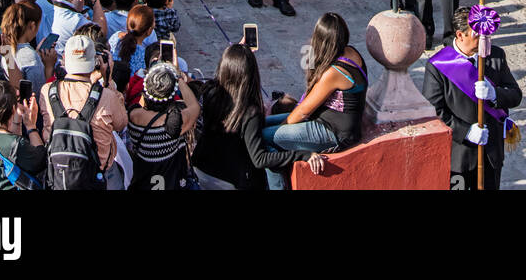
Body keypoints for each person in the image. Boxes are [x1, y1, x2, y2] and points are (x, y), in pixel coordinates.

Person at [422, 5, 523, 191]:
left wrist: (495, 94)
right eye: (477, 36)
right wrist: (466, 132)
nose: (484, 41)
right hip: (459, 157)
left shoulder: (496, 56)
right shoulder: (438, 66)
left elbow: (515, 95)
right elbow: (434, 112)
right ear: (460, 35)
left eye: (486, 36)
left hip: (491, 153)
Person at [262, 12, 367, 181]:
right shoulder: (351, 52)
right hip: (325, 120)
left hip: (332, 133)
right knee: (260, 124)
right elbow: (311, 87)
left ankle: (278, 185)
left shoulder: (335, 73)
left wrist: (283, 128)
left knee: (263, 138)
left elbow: (303, 110)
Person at [192, 42, 310, 191]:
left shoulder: (210, 90)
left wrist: (235, 52)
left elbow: (221, 74)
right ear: (251, 74)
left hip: (201, 168)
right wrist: (301, 155)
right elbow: (260, 159)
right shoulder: (250, 111)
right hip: (231, 179)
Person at [40, 33, 128, 190]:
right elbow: (121, 124)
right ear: (94, 61)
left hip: (60, 174)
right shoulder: (106, 96)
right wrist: (107, 80)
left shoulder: (47, 91)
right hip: (100, 175)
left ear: (65, 59)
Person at [126, 61, 200, 191]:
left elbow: (141, 103)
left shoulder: (133, 115)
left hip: (142, 184)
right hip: (170, 184)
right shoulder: (173, 124)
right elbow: (194, 106)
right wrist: (179, 79)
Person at [0, 78, 47, 190]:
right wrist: (31, 126)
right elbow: (41, 160)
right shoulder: (16, 144)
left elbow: (9, 135)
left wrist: (17, 117)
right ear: (13, 109)